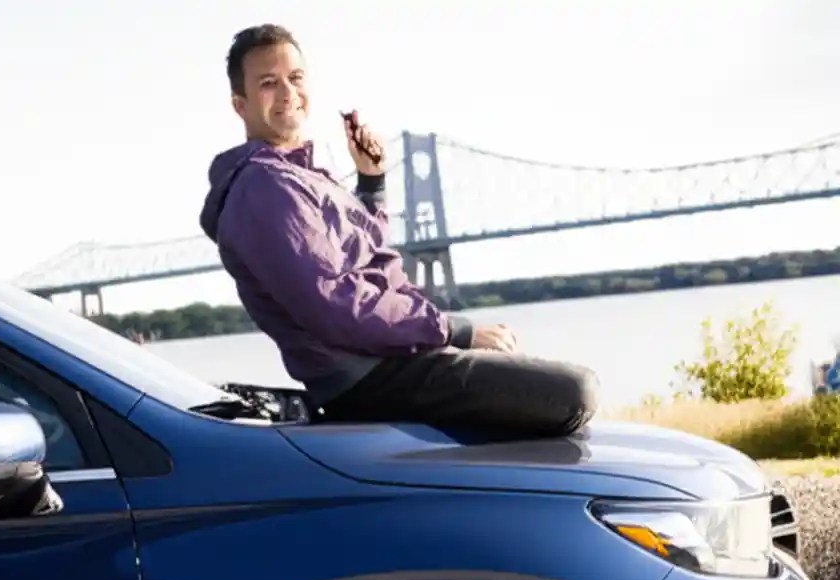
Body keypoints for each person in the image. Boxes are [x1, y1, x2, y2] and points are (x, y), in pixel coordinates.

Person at [198, 24, 599, 437]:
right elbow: (336, 306)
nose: (287, 92)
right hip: (370, 377)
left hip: (384, 361)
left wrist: (371, 182)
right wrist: (454, 331)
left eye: (295, 77)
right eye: (268, 83)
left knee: (552, 393)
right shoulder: (266, 187)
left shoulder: (300, 174)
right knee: (573, 393)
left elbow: (369, 264)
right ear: (239, 104)